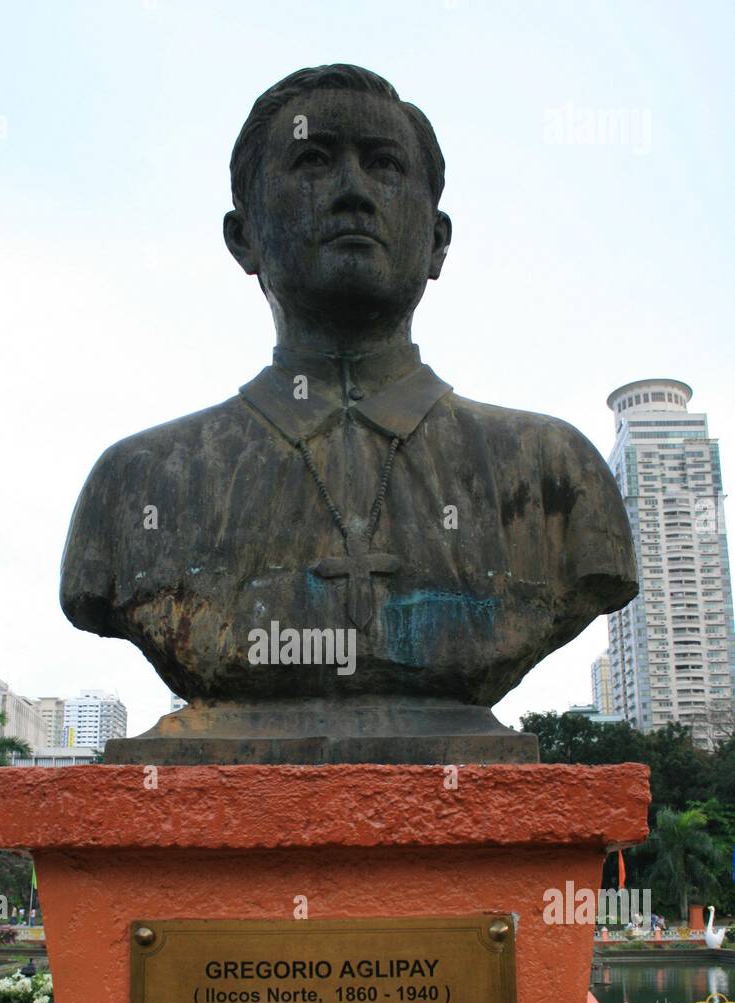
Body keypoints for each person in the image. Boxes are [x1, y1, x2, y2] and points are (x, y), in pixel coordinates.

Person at [59, 63, 637, 765]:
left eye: (384, 165)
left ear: (438, 241)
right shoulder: (137, 486)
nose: (353, 192)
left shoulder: (554, 479)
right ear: (242, 237)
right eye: (312, 161)